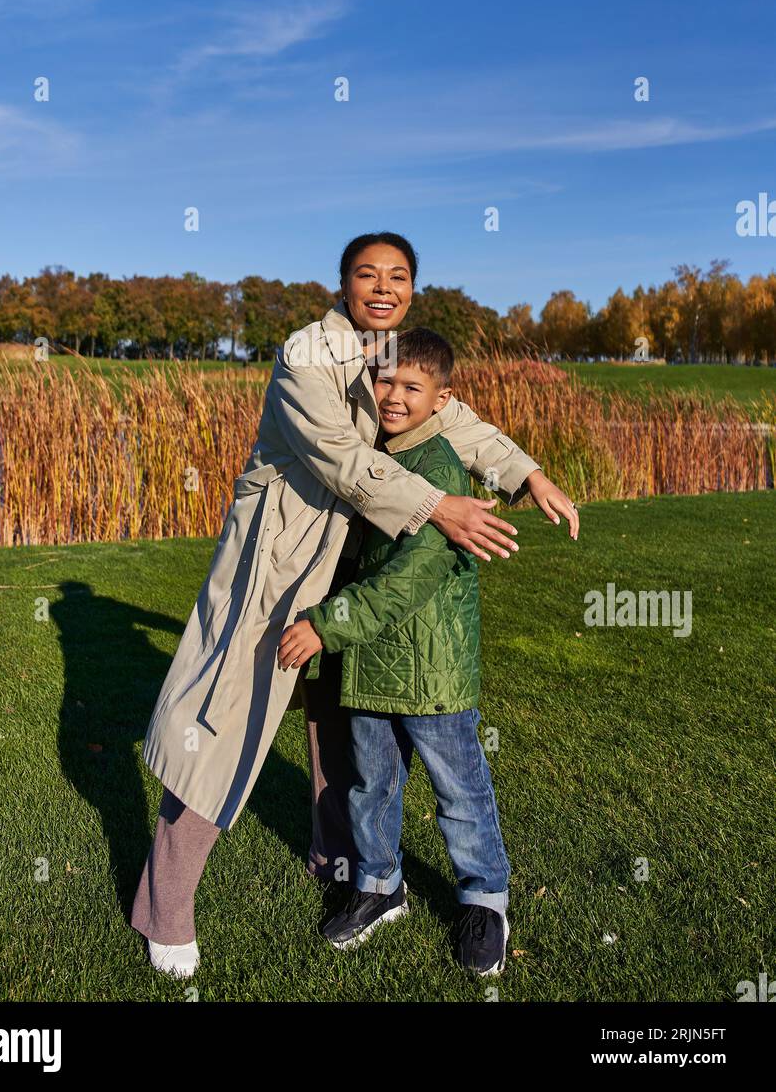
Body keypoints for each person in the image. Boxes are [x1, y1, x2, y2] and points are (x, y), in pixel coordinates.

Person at [131, 232, 578, 976]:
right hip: (281, 562)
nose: (381, 286)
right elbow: (342, 461)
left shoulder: (394, 352)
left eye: (396, 276)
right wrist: (440, 507)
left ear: (411, 290)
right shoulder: (307, 354)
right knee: (221, 728)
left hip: (352, 567)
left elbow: (457, 420)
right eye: (366, 274)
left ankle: (347, 869)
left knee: (341, 726)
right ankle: (164, 908)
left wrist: (525, 472)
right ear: (341, 284)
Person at [279, 327, 518, 976]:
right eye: (385, 381)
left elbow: (405, 582)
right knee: (370, 784)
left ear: (442, 399)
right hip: (371, 669)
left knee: (459, 793)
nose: (393, 396)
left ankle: (484, 903)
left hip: (430, 674)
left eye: (412, 387)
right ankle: (379, 885)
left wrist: (323, 627)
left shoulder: (440, 472)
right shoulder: (377, 457)